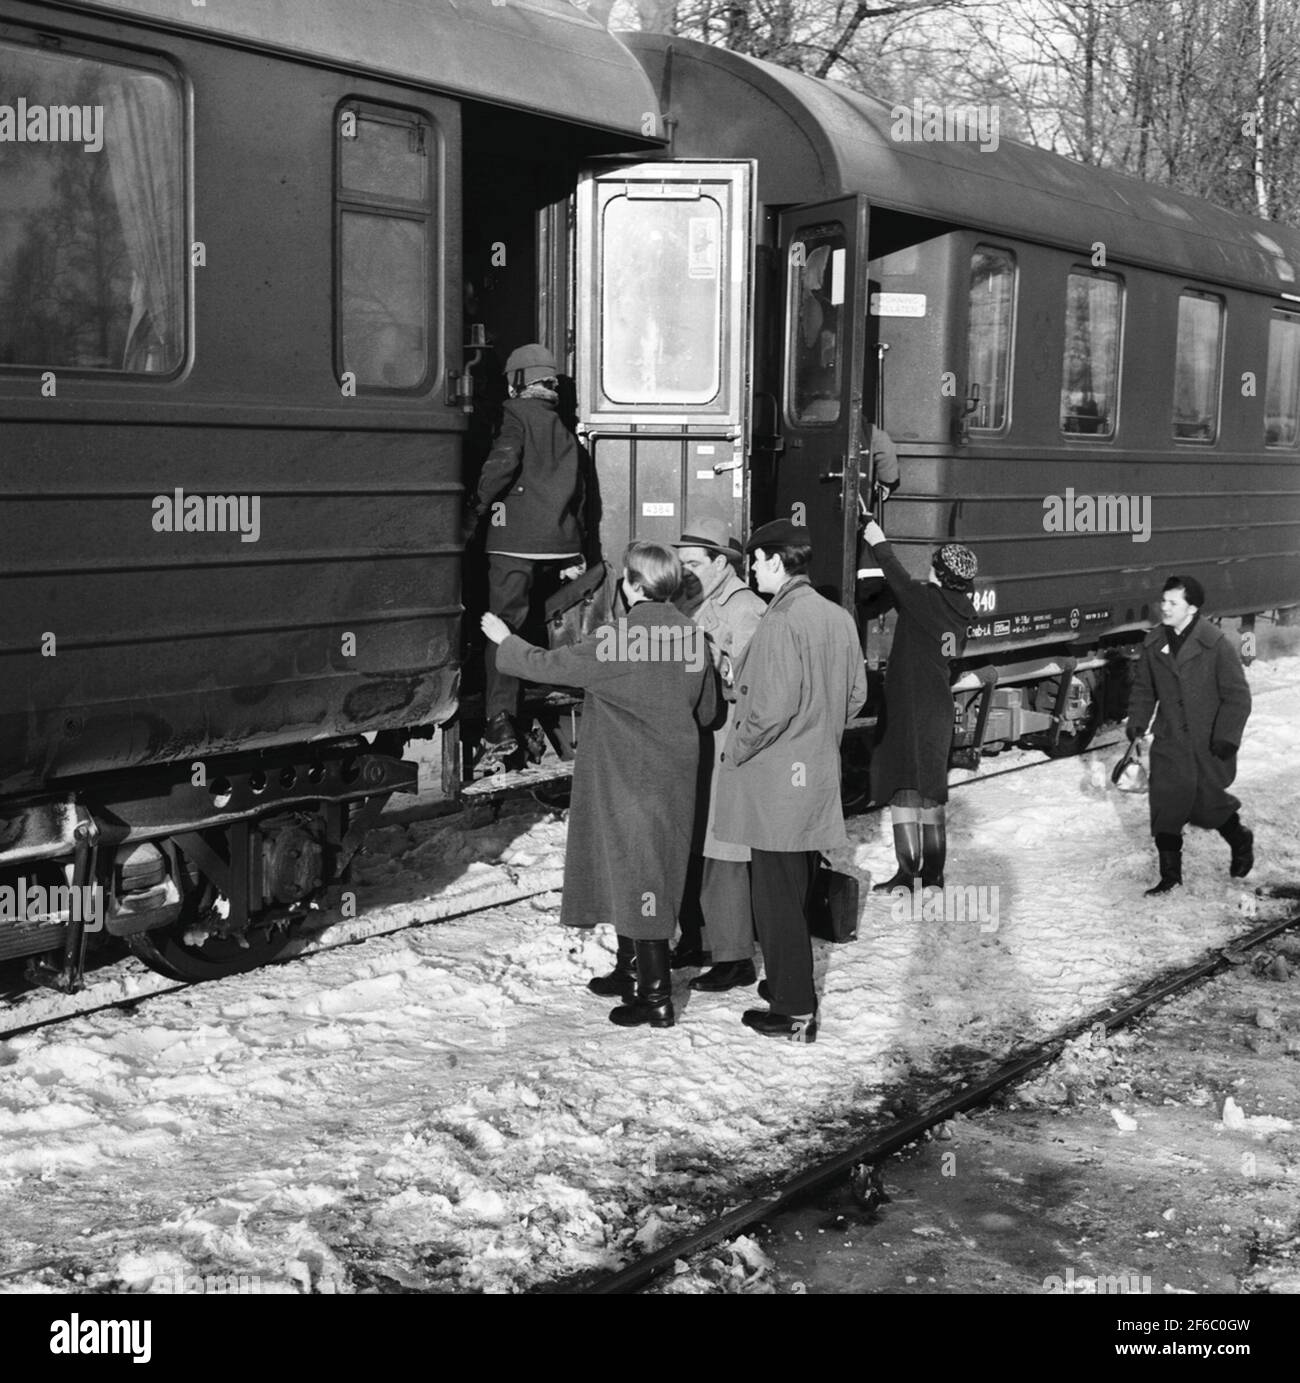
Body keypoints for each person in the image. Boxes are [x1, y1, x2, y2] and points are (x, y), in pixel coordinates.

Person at [481, 541, 717, 1029]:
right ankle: (628, 971)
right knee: (638, 868)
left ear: (632, 585)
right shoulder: (694, 637)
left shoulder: (620, 638)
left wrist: (505, 638)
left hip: (630, 777)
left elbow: (549, 667)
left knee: (641, 874)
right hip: (670, 777)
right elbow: (710, 712)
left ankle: (655, 998)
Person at [713, 519, 868, 1042]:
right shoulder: (837, 616)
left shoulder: (781, 623)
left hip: (777, 780)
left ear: (777, 561)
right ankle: (785, 982)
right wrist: (820, 733)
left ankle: (795, 1010)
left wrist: (736, 749)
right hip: (814, 774)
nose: (751, 568)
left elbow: (768, 710)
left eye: (756, 560)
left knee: (775, 897)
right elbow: (856, 698)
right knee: (794, 888)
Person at [463, 344, 587, 760]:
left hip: (515, 541)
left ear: (518, 381)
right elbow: (581, 492)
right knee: (536, 619)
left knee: (501, 625)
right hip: (558, 543)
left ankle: (499, 719)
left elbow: (502, 463)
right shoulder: (561, 424)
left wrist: (476, 507)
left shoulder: (515, 415)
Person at [669, 518, 766, 991]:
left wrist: (710, 674)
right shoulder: (691, 602)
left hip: (727, 744)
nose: (684, 569)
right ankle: (697, 939)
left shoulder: (745, 610)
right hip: (696, 743)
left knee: (723, 851)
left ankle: (734, 957)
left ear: (721, 563)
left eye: (693, 561)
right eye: (680, 561)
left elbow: (757, 687)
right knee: (691, 845)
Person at [860, 519, 978, 892]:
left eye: (934, 566)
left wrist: (877, 541)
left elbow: (895, 575)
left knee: (902, 788)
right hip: (937, 707)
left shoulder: (925, 601)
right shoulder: (960, 610)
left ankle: (907, 872)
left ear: (940, 574)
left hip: (908, 706)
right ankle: (934, 875)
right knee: (930, 791)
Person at [1125, 576, 1253, 895]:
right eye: (1163, 601)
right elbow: (1144, 689)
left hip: (1206, 742)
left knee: (1206, 807)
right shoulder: (1155, 642)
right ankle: (1170, 877)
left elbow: (1238, 695)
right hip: (1169, 740)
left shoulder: (1215, 643)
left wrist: (1226, 736)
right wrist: (1137, 723)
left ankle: (1240, 839)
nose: (1164, 608)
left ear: (1192, 608)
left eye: (1173, 603)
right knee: (1166, 808)